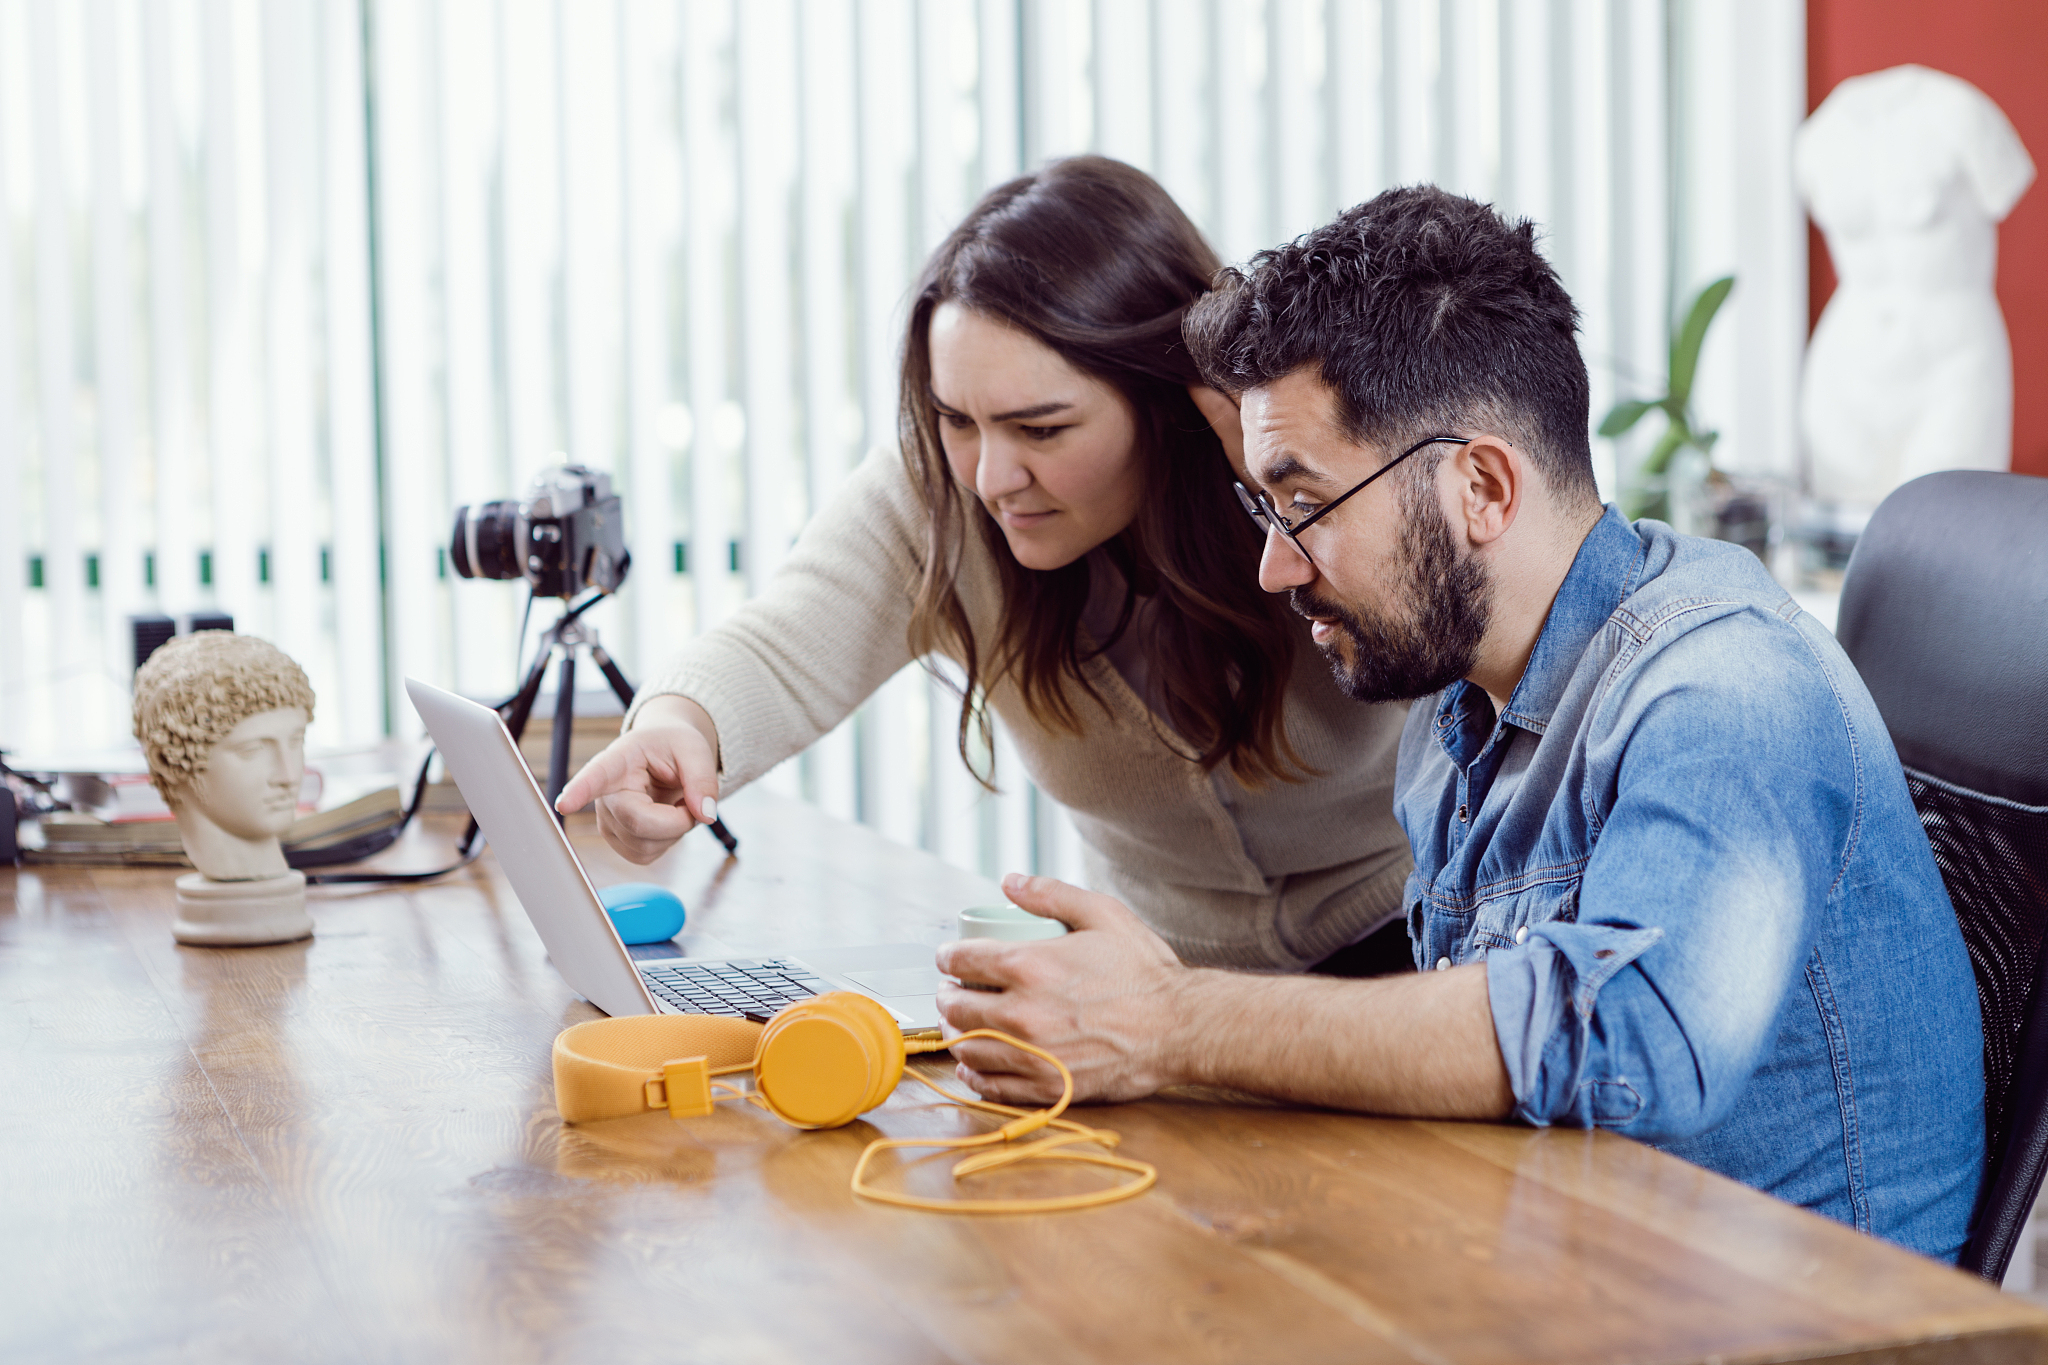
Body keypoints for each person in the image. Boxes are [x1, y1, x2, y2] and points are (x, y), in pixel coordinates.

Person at [935, 186, 1986, 1261]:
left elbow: (1636, 1037)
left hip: (1787, 1322)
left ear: (1481, 486)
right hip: (1558, 1265)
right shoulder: (1453, 700)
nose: (1272, 565)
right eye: (1264, 507)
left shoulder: (1724, 687)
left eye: (1304, 505)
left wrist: (1170, 1023)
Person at [557, 156, 1417, 977]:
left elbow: (1484, 668)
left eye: (1041, 429)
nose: (991, 478)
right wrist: (677, 726)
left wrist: (1290, 492)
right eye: (956, 419)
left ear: (1169, 401)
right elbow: (785, 639)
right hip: (1153, 989)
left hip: (1411, 950)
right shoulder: (938, 495)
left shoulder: (1298, 464)